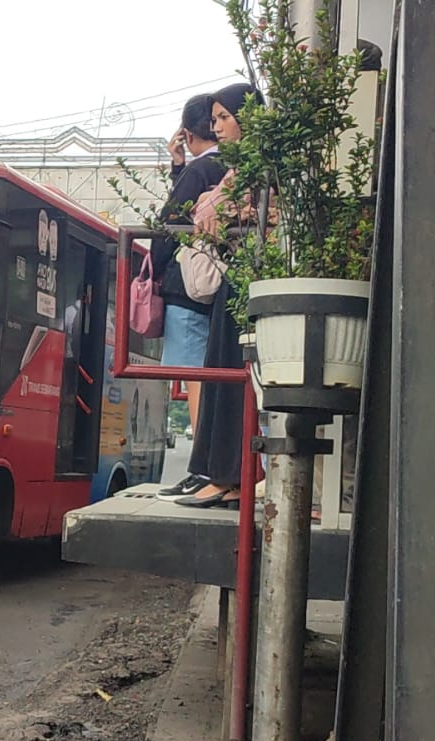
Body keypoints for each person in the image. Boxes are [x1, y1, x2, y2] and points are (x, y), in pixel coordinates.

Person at [177, 82, 266, 509]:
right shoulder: (245, 163)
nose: (217, 127)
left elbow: (207, 211)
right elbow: (206, 211)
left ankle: (231, 477)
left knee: (233, 379)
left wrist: (221, 207)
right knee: (227, 378)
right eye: (214, 119)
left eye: (224, 117)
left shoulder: (255, 161)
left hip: (249, 278)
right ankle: (227, 476)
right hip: (245, 276)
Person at [157, 94, 229, 498]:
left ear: (186, 133)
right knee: (220, 376)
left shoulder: (200, 169)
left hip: (189, 286)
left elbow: (169, 225)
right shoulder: (235, 166)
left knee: (196, 378)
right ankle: (217, 466)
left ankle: (204, 469)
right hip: (221, 283)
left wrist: (152, 273)